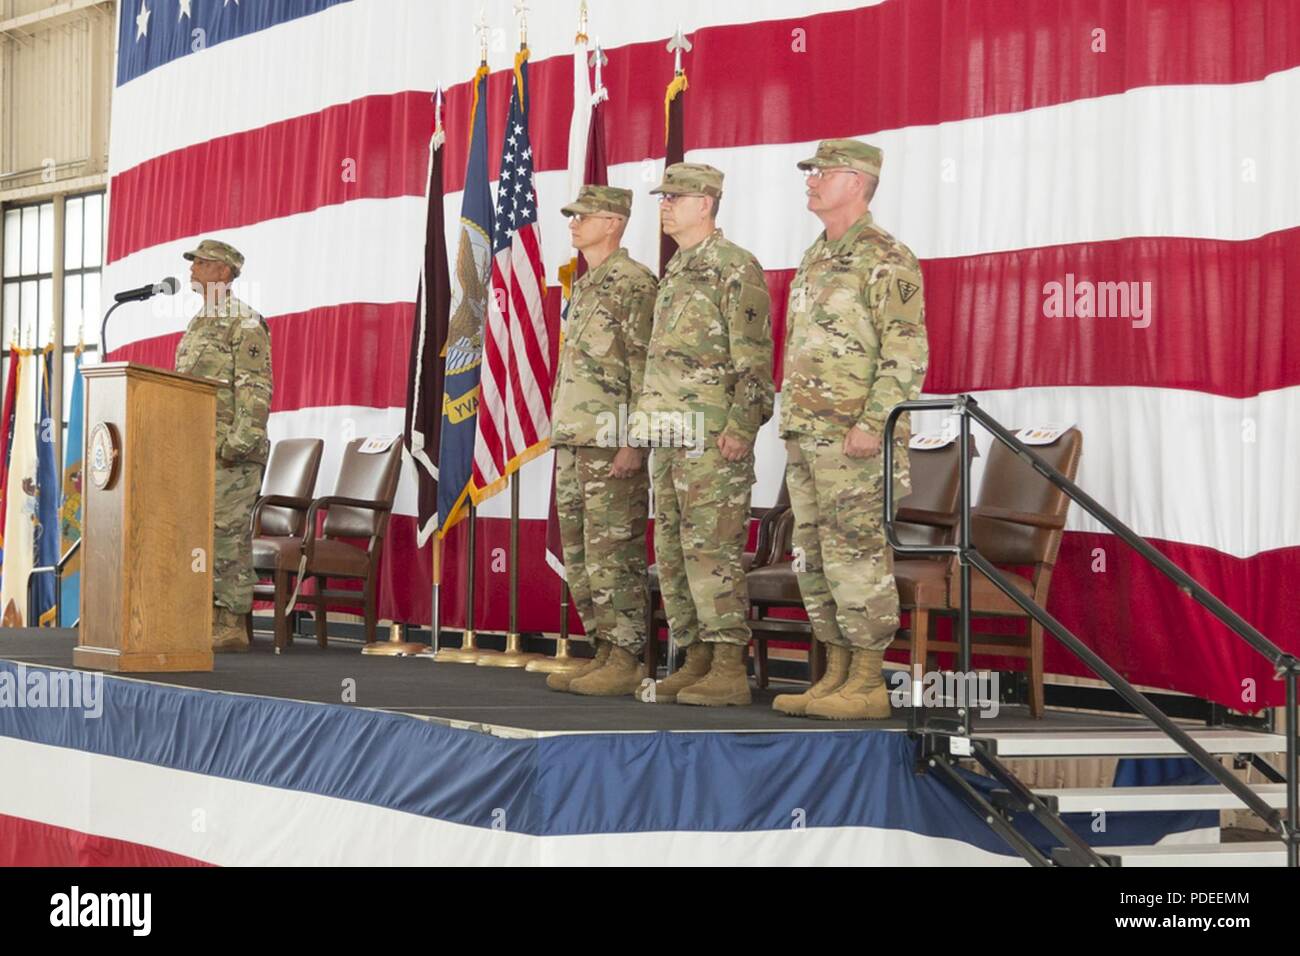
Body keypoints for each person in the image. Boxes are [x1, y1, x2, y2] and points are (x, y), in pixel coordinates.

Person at [771, 139, 928, 720]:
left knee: (856, 554)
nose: (809, 181)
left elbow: (906, 353)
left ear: (857, 182)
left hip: (855, 439)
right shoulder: (816, 255)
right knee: (812, 555)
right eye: (810, 172)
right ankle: (834, 671)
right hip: (808, 435)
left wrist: (874, 424)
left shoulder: (887, 257)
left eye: (822, 173)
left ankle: (866, 680)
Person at [636, 163, 773, 707]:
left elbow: (754, 362)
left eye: (676, 196)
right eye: (663, 196)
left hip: (713, 440)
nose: (664, 204)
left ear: (706, 204)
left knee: (710, 550)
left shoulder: (734, 267)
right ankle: (694, 656)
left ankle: (727, 665)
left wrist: (741, 428)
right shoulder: (676, 269)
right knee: (672, 551)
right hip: (669, 438)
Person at [546, 186, 657, 696]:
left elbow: (644, 370)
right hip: (574, 439)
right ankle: (603, 649)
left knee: (615, 551)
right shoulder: (587, 286)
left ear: (613, 222)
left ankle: (628, 654)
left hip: (610, 441)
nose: (573, 223)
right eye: (572, 216)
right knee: (582, 555)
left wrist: (634, 442)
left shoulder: (633, 284)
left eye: (582, 216)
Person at [175, 239, 273, 653]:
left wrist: (237, 444)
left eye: (201, 262)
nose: (192, 268)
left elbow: (255, 389)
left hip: (233, 454)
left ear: (224, 271)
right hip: (198, 451)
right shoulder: (200, 322)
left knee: (227, 534)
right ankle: (203, 616)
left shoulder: (244, 322)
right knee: (199, 533)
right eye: (195, 262)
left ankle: (231, 623)